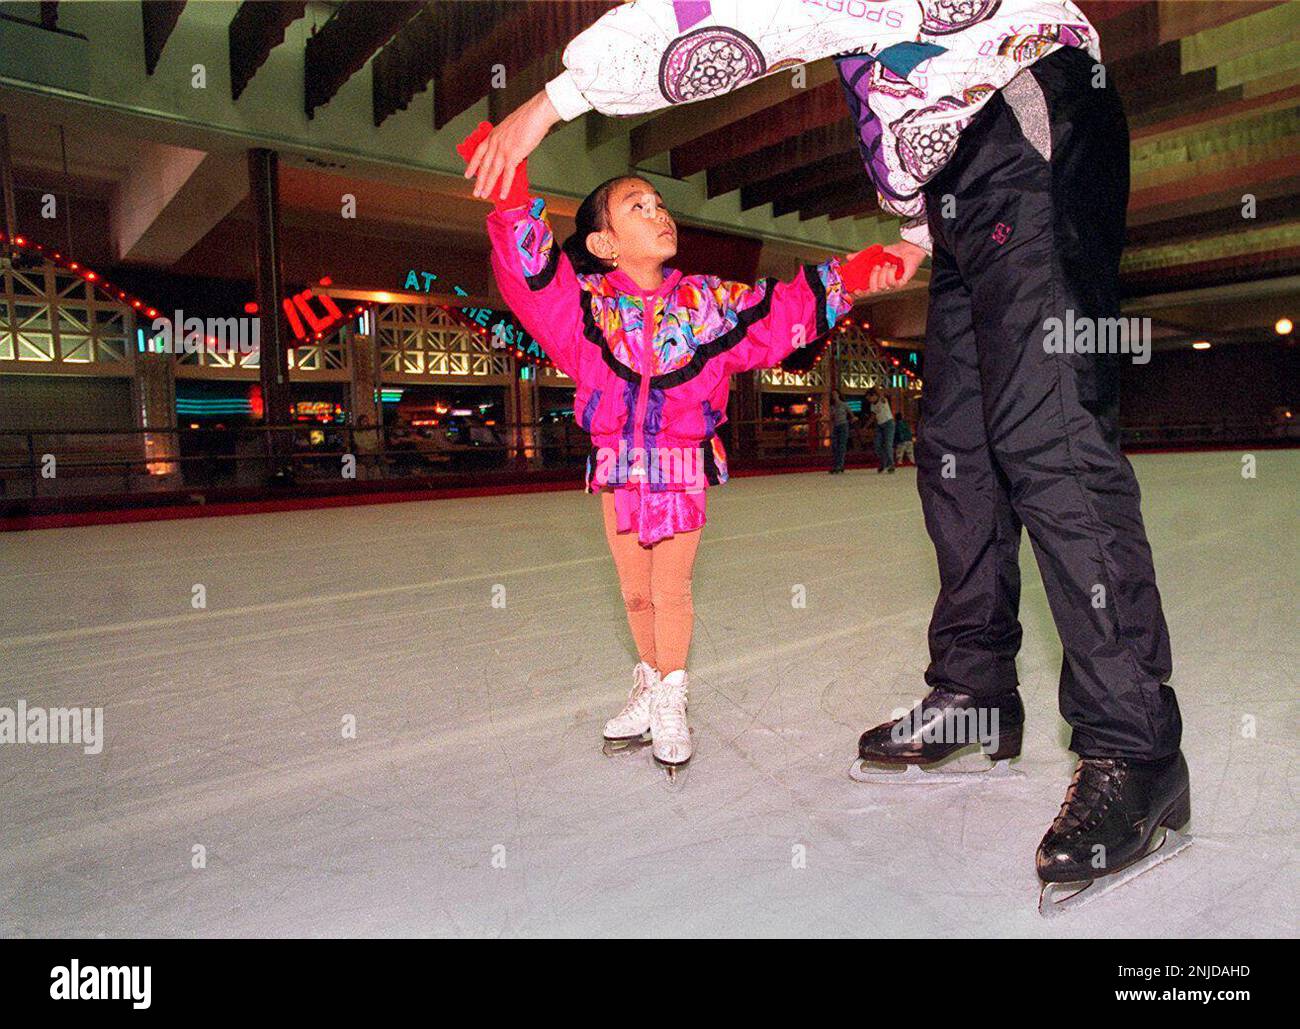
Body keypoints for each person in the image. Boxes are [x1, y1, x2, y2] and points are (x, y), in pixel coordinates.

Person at [468, 0, 1187, 898]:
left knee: (1050, 430)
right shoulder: (601, 305)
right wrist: (927, 227)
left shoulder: (699, 300)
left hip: (1023, 105)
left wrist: (559, 97)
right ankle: (975, 696)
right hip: (961, 185)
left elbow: (725, 22)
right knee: (955, 448)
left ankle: (1136, 745)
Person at [474, 161, 860, 773]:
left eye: (659, 203)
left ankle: (672, 695)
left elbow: (779, 313)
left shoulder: (707, 303)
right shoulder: (584, 309)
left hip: (682, 460)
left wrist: (855, 274)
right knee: (633, 593)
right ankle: (651, 689)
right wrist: (512, 191)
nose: (659, 213)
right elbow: (532, 280)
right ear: (603, 244)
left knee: (671, 587)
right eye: (638, 207)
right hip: (619, 464)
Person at [869, 389, 896, 474]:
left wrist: (875, 387)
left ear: (874, 396)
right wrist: (866, 426)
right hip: (879, 425)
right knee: (877, 445)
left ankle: (891, 464)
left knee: (888, 445)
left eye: (870, 398)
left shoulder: (882, 400)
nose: (869, 400)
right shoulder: (872, 406)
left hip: (888, 423)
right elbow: (873, 417)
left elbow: (881, 394)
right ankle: (883, 462)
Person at [828, 389, 851, 474]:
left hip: (843, 425)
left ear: (838, 395)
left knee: (841, 446)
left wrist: (852, 419)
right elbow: (832, 418)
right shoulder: (832, 406)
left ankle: (840, 465)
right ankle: (836, 464)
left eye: (835, 394)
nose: (834, 396)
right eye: (832, 394)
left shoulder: (844, 405)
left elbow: (851, 414)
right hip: (836, 426)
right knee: (835, 446)